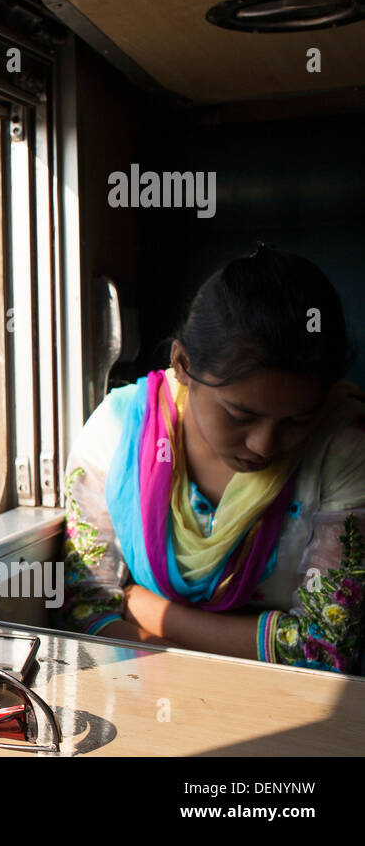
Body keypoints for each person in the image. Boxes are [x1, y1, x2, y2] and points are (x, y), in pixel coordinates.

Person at [61, 246, 365, 674]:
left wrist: (144, 607)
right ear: (183, 364)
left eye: (299, 420)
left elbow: (326, 648)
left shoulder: (345, 441)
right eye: (240, 415)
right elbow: (83, 610)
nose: (264, 444)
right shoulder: (118, 431)